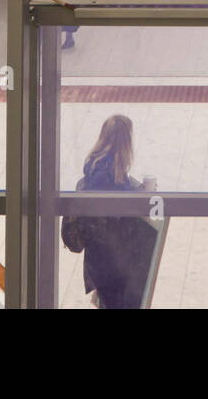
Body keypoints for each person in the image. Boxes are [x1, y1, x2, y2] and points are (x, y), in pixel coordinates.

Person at [60, 115, 158, 309]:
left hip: (103, 259)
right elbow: (113, 205)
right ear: (124, 140)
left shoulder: (99, 165)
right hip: (110, 260)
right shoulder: (106, 171)